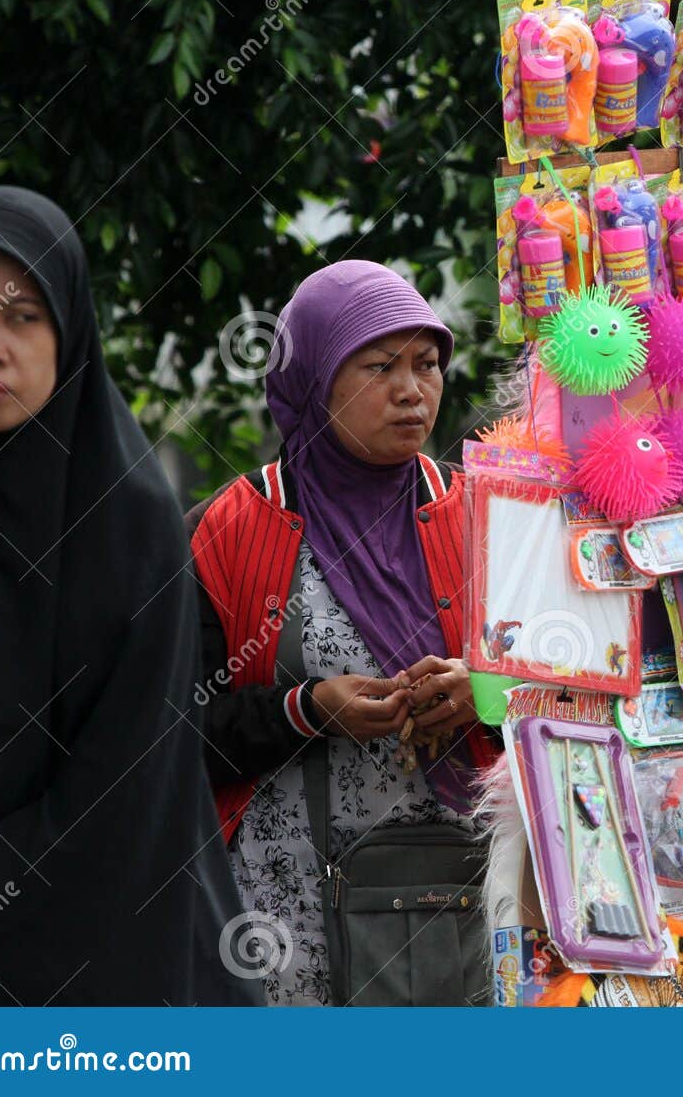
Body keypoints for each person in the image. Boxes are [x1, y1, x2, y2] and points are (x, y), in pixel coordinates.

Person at [0, 186, 259, 1005]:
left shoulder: (127, 524)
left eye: (22, 316)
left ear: (69, 330)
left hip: (93, 963)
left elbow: (121, 789)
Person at [187, 260, 497, 1005]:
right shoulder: (232, 529)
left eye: (427, 364)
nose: (410, 388)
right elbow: (168, 728)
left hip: (455, 908)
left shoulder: (484, 518)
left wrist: (485, 691)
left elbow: (574, 687)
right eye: (379, 364)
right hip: (283, 921)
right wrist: (306, 709)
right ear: (315, 377)